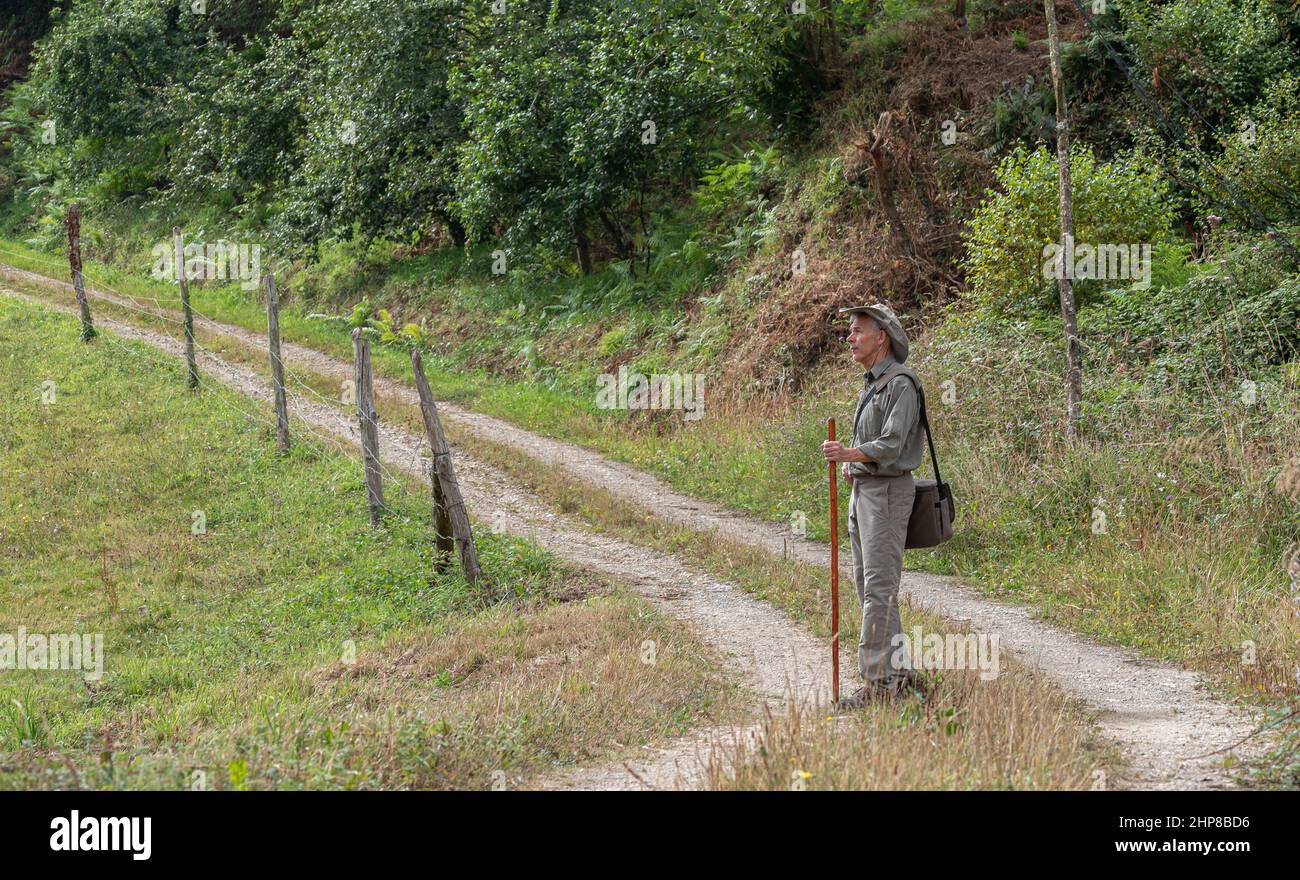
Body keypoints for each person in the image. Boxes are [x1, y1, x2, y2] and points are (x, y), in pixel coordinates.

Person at [821, 303, 927, 707]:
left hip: (886, 495)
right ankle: (899, 677)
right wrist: (855, 466)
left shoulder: (901, 383)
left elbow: (893, 444)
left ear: (881, 337)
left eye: (857, 331)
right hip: (865, 492)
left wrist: (849, 454)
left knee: (879, 591)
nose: (849, 338)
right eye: (850, 331)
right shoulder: (873, 383)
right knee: (869, 588)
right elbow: (874, 443)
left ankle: (879, 686)